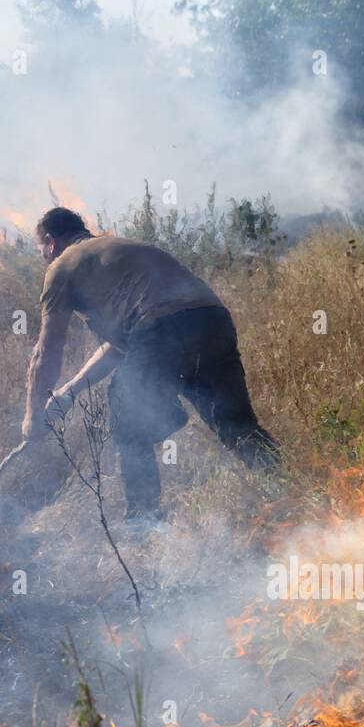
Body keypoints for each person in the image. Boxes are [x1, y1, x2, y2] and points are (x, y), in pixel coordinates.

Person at [23, 207, 279, 521]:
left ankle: (143, 521)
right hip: (212, 319)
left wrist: (33, 416)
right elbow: (122, 348)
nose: (43, 258)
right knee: (237, 426)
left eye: (41, 251)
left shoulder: (62, 266)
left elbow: (47, 349)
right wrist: (70, 391)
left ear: (49, 242)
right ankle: (290, 492)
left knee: (126, 416)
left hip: (163, 329)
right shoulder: (117, 249)